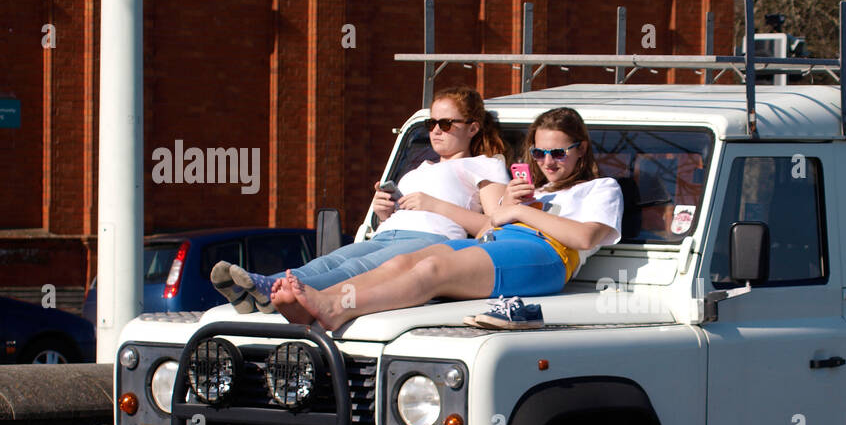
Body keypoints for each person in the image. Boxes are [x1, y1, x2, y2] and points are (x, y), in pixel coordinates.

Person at [270, 106, 623, 330]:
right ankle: (317, 301)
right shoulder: (535, 191)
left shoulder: (600, 187)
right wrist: (508, 209)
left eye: (558, 153)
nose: (548, 162)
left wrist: (515, 212)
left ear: (582, 150)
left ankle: (334, 308)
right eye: (540, 153)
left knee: (431, 272)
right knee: (405, 260)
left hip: (547, 257)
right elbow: (489, 225)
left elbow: (586, 238)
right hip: (498, 243)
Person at [210, 87, 510, 312]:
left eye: (446, 124)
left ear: (472, 127)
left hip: (432, 240)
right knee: (331, 260)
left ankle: (271, 290)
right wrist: (384, 209)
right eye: (430, 124)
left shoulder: (485, 165)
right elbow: (402, 211)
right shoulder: (421, 166)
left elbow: (497, 227)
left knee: (357, 269)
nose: (435, 131)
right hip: (389, 233)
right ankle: (255, 290)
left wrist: (434, 205)